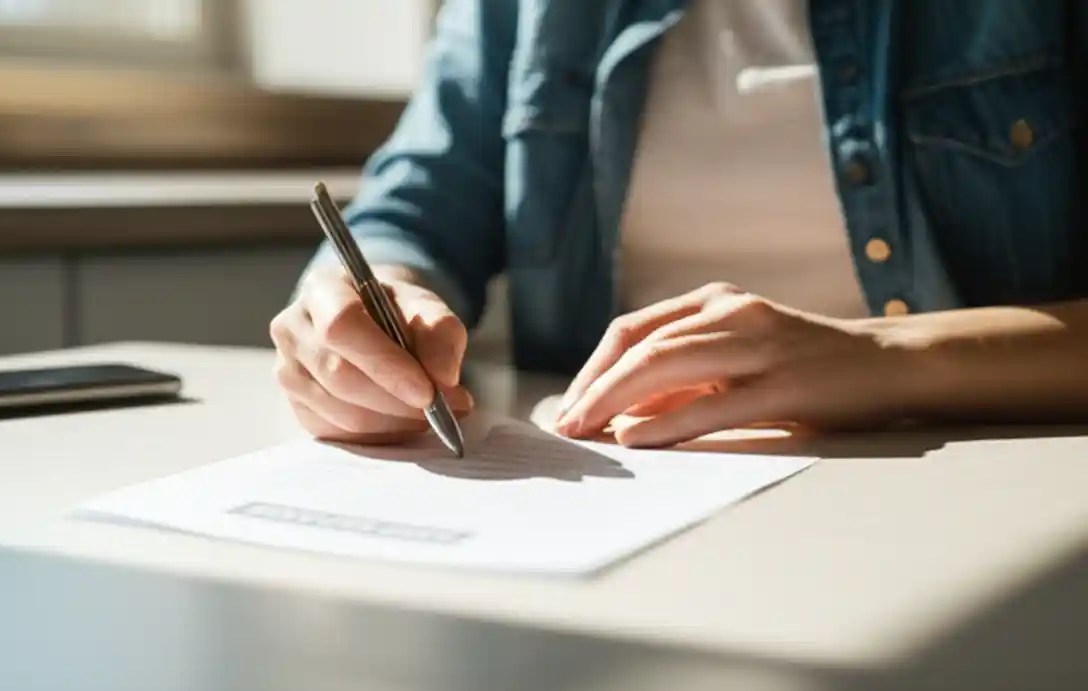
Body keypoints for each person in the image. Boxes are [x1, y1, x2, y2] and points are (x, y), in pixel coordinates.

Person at [270, 0, 1088, 448]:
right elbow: (414, 208)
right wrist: (354, 304)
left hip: (980, 496)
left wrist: (882, 357)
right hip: (628, 503)